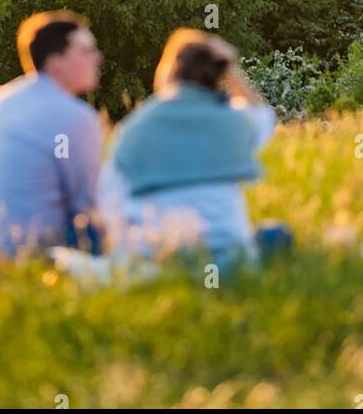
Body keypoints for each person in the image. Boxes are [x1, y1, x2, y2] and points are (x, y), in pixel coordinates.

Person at [99, 29, 290, 267]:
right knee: (277, 235)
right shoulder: (235, 122)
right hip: (230, 260)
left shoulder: (135, 128)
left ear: (168, 70)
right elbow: (262, 116)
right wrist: (230, 71)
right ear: (217, 74)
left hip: (161, 258)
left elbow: (108, 200)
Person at [0, 10, 103, 257]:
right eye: (86, 51)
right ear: (57, 62)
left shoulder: (0, 99)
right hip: (24, 251)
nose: (97, 58)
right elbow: (88, 208)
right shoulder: (76, 117)